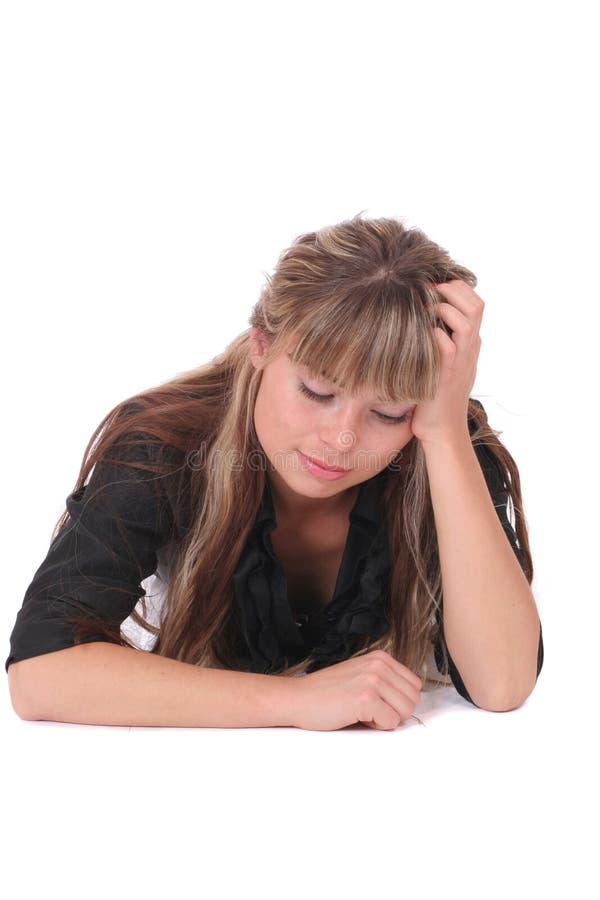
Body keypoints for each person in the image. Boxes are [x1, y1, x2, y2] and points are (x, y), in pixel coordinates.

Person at [6, 212, 544, 731]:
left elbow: (503, 684)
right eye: (317, 391)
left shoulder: (444, 440)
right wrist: (295, 701)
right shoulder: (165, 445)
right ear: (261, 344)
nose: (342, 439)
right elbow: (40, 672)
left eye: (388, 412)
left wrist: (446, 434)